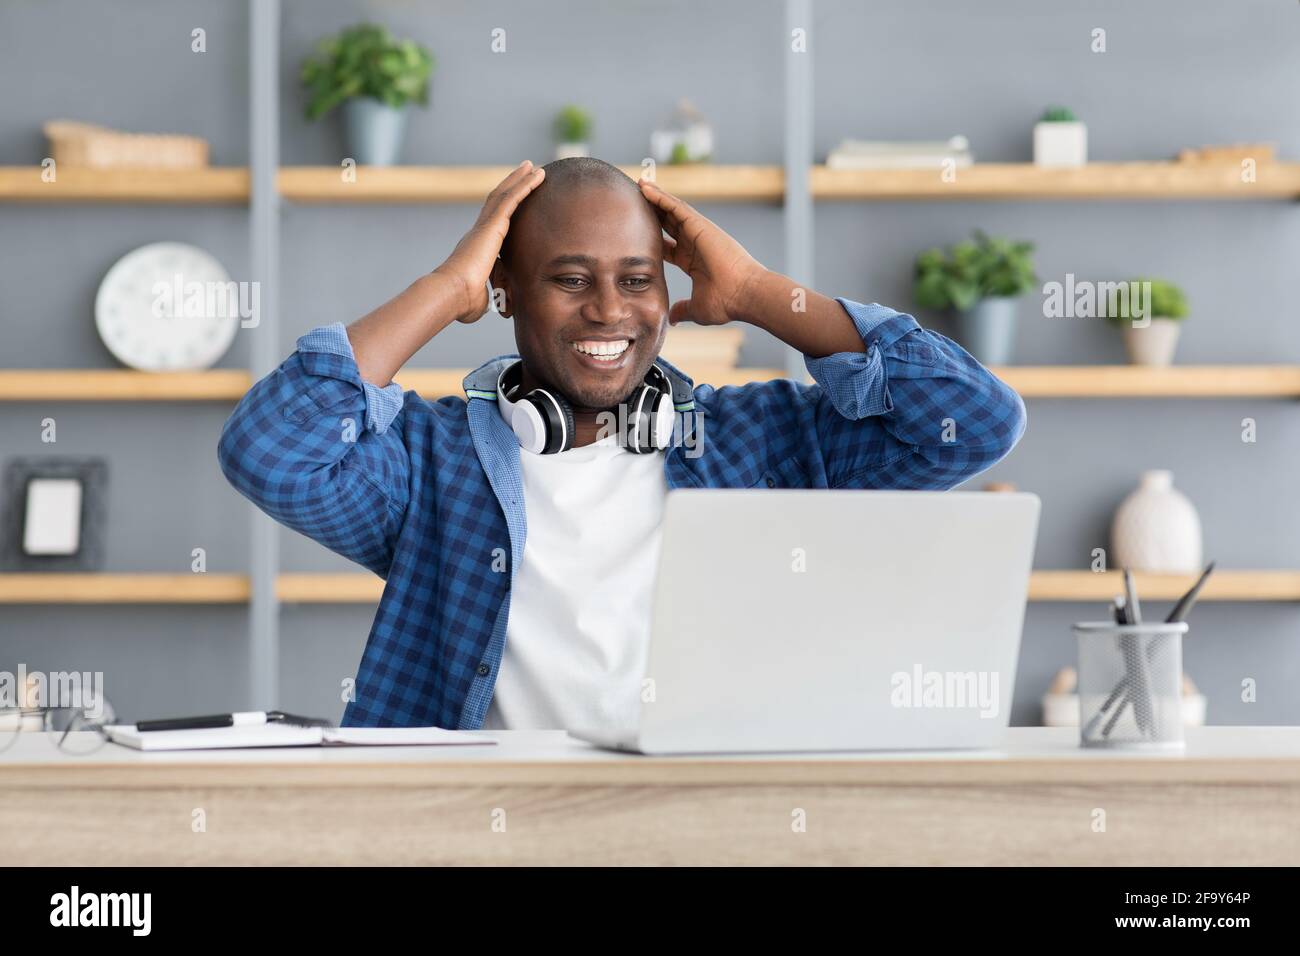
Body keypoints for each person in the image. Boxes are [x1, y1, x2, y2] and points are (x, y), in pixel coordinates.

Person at [217, 157, 1027, 731]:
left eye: (638, 279)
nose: (610, 311)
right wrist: (444, 291)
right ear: (505, 292)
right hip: (475, 832)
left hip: (698, 825)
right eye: (570, 280)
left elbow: (977, 420)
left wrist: (753, 292)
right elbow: (267, 449)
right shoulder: (431, 464)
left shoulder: (760, 443)